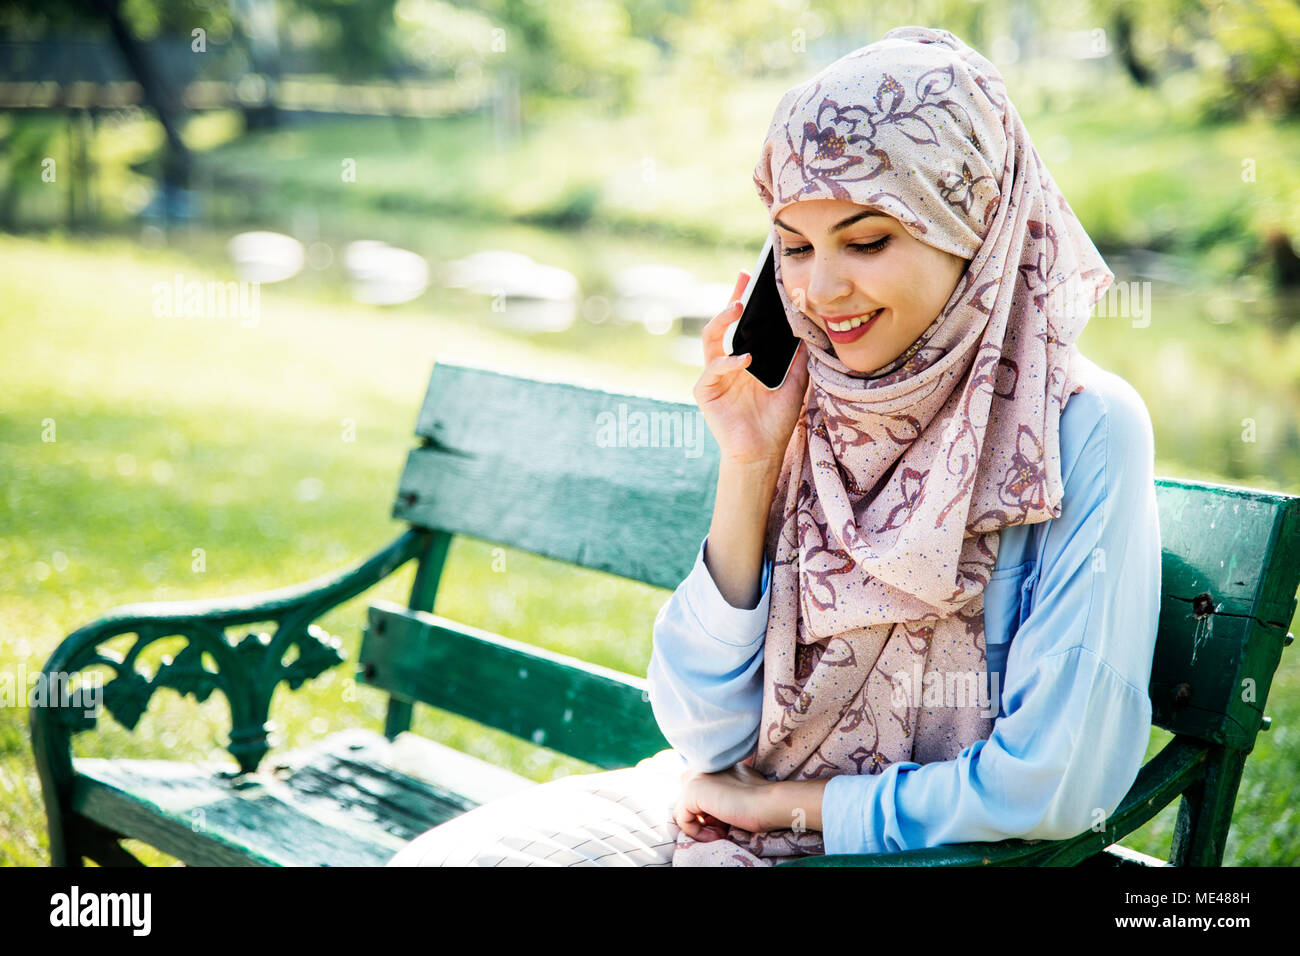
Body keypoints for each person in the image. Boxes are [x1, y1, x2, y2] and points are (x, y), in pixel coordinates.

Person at [386, 24, 1161, 868]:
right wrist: (750, 465)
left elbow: (1054, 781)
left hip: (902, 851)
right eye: (794, 248)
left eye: (867, 241)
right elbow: (701, 731)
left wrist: (789, 809)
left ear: (972, 228)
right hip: (707, 808)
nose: (822, 292)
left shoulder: (1077, 428)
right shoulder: (808, 402)